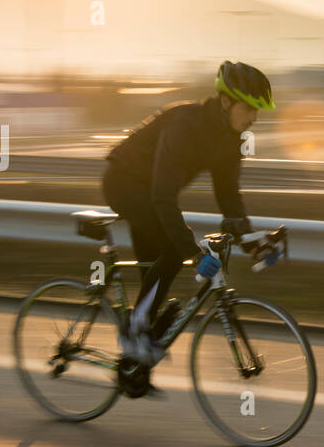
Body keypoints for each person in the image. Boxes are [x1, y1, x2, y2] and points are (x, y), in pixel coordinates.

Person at [101, 60, 274, 369]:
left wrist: (251, 241)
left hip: (152, 193)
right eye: (249, 108)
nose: (254, 118)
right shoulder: (186, 125)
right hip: (123, 183)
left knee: (155, 280)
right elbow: (162, 197)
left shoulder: (228, 140)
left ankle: (133, 370)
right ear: (225, 101)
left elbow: (229, 197)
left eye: (257, 111)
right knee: (173, 248)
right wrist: (192, 253)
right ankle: (133, 335)